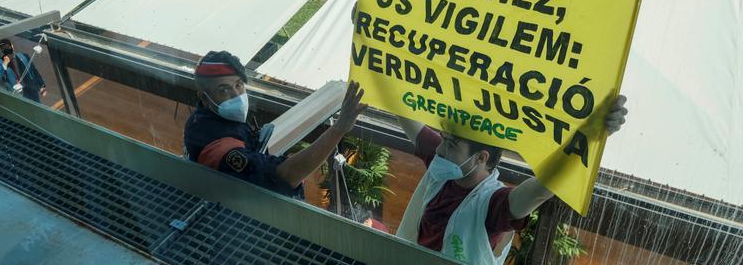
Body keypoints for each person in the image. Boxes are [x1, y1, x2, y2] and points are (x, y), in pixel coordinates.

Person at [395, 95, 629, 264]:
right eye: (444, 139)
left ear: (481, 158)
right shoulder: (447, 163)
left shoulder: (493, 205)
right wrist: (375, 37)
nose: (439, 150)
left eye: (451, 144)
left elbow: (542, 188)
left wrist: (591, 135)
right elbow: (401, 108)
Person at [183, 51, 367, 197]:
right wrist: (338, 129)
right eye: (224, 90)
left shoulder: (209, 118)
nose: (236, 96)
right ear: (205, 99)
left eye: (238, 85)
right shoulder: (219, 148)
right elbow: (285, 176)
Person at [0, 39, 47, 103]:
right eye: (4, 48)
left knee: (37, 106)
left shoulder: (23, 56)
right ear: (2, 50)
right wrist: (4, 65)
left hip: (31, 88)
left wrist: (41, 85)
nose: (7, 49)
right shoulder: (1, 62)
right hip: (17, 92)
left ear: (12, 46)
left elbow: (34, 71)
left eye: (8, 46)